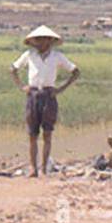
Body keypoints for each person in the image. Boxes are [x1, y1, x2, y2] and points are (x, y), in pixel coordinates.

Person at [10, 25, 80, 177]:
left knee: (47, 134)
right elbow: (13, 69)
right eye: (38, 40)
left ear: (50, 41)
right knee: (32, 135)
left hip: (49, 95)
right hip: (33, 95)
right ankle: (33, 169)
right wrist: (22, 87)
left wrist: (60, 89)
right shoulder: (29, 55)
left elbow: (75, 72)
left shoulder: (57, 56)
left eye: (44, 39)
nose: (41, 42)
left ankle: (43, 168)